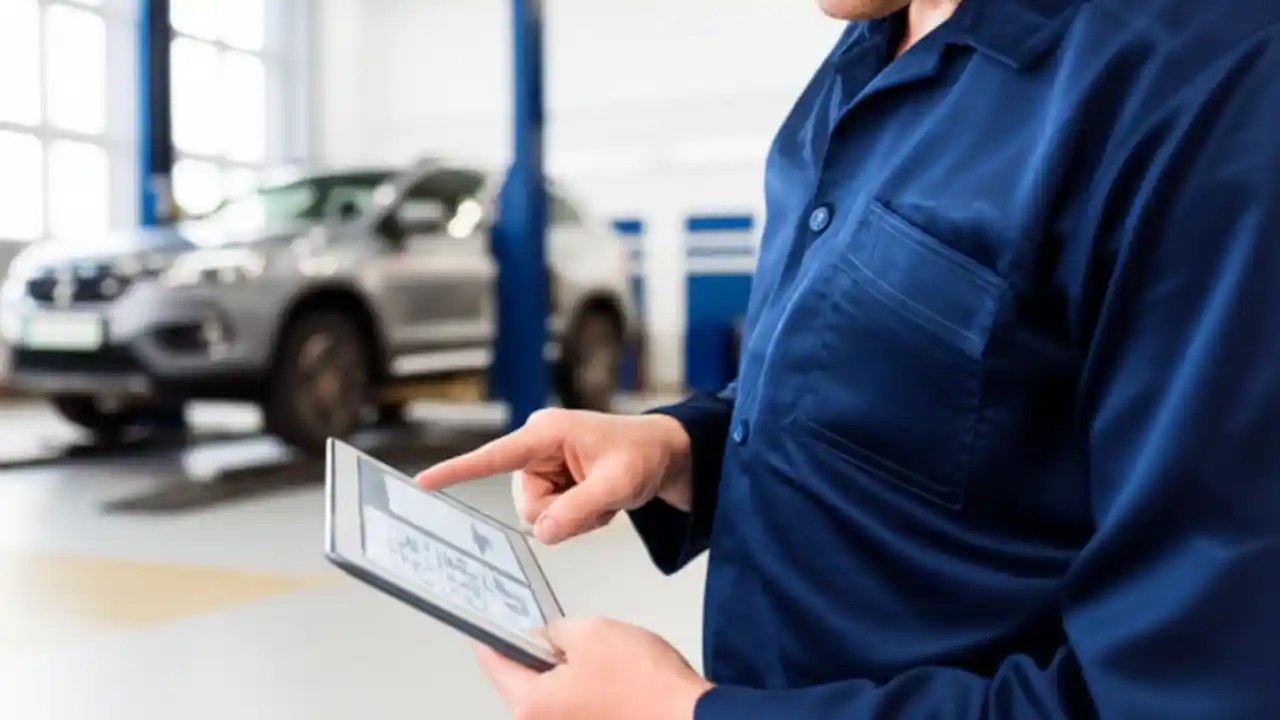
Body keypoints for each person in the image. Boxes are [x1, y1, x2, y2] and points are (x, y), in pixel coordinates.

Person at [417, 0, 1280, 716]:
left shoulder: (1210, 82)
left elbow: (1189, 691)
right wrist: (684, 450)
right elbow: (932, 384)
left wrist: (687, 714)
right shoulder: (869, 47)